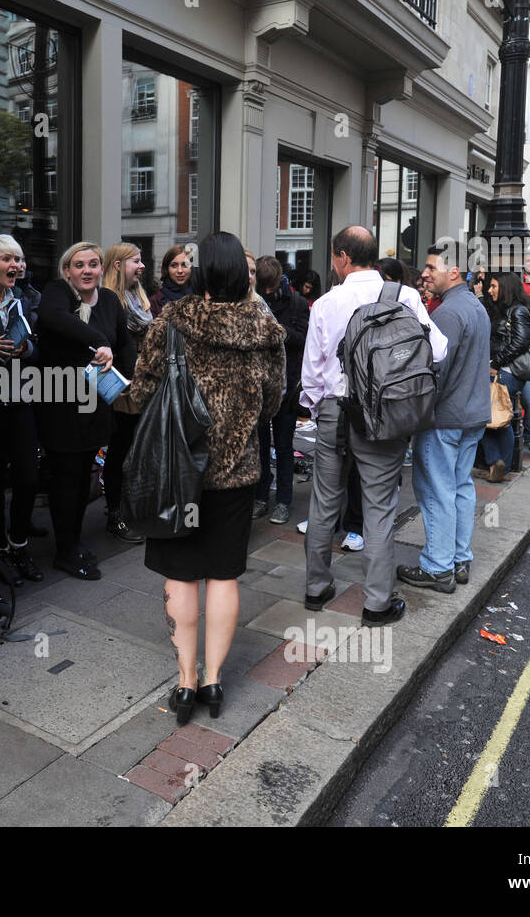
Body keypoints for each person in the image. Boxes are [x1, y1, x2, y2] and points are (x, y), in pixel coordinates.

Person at [128, 231, 285, 724]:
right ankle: (214, 682)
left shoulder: (171, 320)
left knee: (181, 575)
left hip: (178, 470)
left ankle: (185, 682)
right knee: (223, 573)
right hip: (235, 473)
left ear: (199, 272)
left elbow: (143, 391)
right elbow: (274, 401)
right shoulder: (265, 325)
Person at [301, 226, 447, 628]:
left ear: (343, 258)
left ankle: (317, 589)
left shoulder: (326, 304)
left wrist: (319, 412)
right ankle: (377, 603)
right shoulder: (405, 296)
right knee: (379, 510)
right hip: (384, 415)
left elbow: (311, 374)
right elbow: (437, 349)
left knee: (324, 502)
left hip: (334, 411)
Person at [397, 246, 490, 592]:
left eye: (431, 267)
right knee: (461, 486)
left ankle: (438, 566)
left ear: (453, 272)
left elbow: (435, 374)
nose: (425, 273)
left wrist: (413, 414)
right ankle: (458, 558)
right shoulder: (476, 307)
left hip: (447, 418)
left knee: (437, 490)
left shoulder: (448, 313)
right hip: (472, 415)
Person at [34, 241, 127, 580]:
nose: (87, 271)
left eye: (93, 264)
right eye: (79, 265)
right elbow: (53, 318)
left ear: (102, 269)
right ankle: (66, 550)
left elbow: (124, 345)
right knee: (66, 480)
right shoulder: (58, 292)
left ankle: (72, 543)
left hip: (97, 405)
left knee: (85, 473)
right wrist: (98, 341)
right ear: (67, 270)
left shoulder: (111, 300)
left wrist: (129, 382)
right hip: (61, 404)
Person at [0, 233, 44, 581]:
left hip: (19, 397)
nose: (16, 266)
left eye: (18, 260)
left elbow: (36, 344)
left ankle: (19, 545)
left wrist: (27, 351)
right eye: (8, 259)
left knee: (27, 476)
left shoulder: (22, 299)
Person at [100, 242, 150, 544]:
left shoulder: (137, 296)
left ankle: (130, 509)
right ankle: (115, 514)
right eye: (136, 261)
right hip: (122, 387)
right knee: (119, 451)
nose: (142, 266)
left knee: (136, 450)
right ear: (118, 265)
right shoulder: (110, 301)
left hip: (144, 382)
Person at [253, 255, 308, 525]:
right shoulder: (253, 302)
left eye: (270, 287)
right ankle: (261, 496)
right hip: (262, 385)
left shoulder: (296, 302)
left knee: (284, 446)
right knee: (261, 446)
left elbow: (303, 340)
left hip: (286, 386)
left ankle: (284, 500)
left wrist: (277, 330)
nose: (266, 293)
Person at [478, 274, 530, 477]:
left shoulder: (519, 311)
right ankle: (498, 464)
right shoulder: (503, 309)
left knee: (494, 418)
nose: (490, 290)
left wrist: (495, 363)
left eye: (494, 286)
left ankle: (497, 462)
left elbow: (521, 342)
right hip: (501, 372)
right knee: (499, 418)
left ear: (505, 287)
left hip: (506, 373)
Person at [149, 244, 192, 316]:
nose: (180, 270)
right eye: (174, 265)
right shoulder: (155, 302)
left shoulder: (203, 297)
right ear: (166, 269)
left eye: (185, 265)